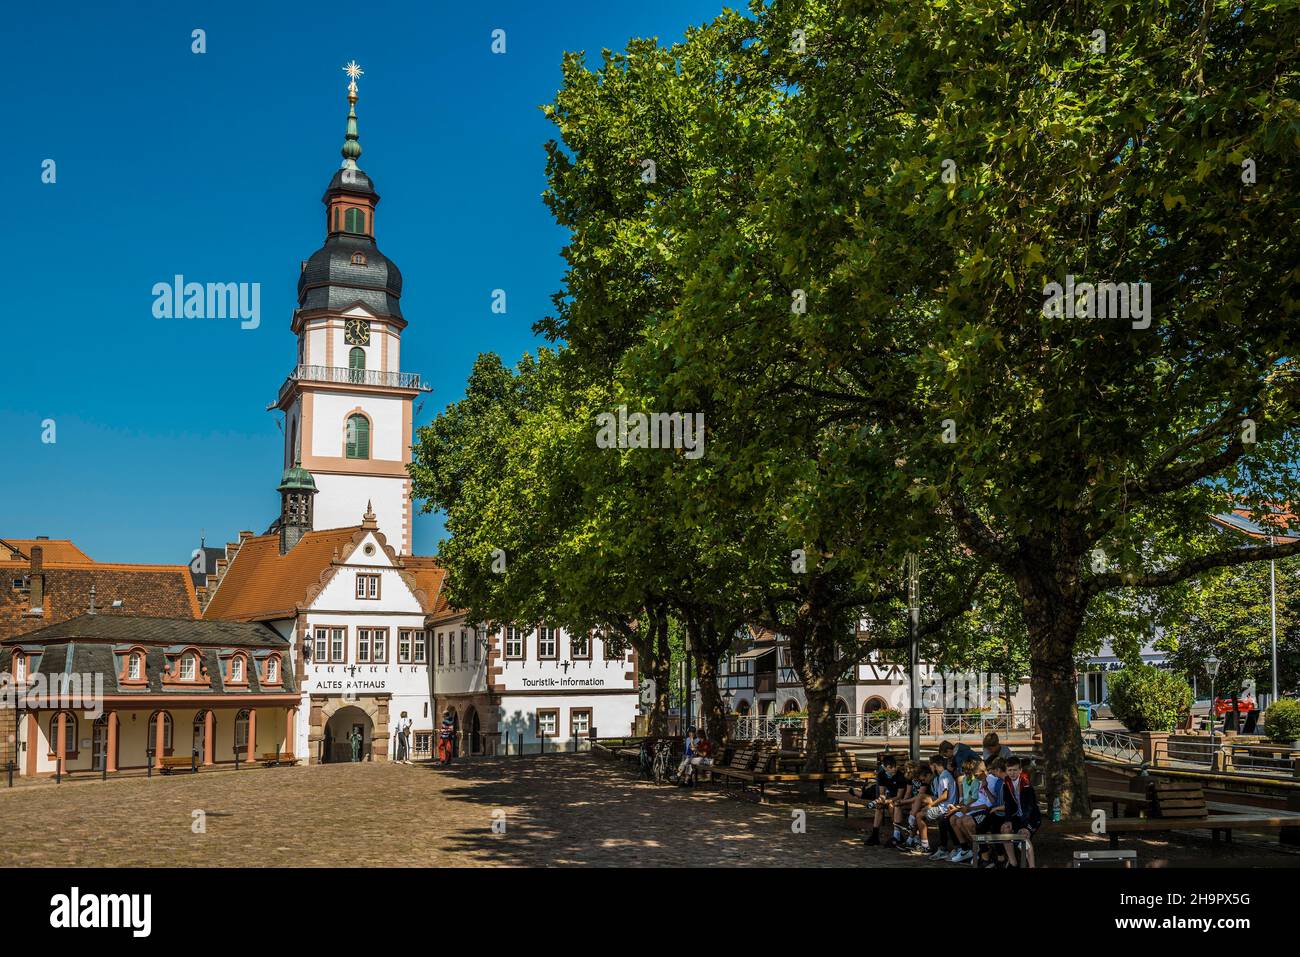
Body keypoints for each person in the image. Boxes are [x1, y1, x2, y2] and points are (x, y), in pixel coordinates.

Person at [999, 755, 1041, 867]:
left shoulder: (1025, 783)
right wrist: (1008, 820)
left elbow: (1029, 807)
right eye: (1010, 770)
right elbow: (1007, 803)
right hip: (1018, 816)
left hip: (1031, 817)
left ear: (1020, 770)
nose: (1012, 773)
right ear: (1006, 770)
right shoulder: (1006, 782)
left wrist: (1024, 826)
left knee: (1023, 836)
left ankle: (1032, 866)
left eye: (1015, 770)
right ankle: (1013, 863)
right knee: (1005, 830)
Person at [946, 758, 988, 863]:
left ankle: (977, 849)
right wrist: (957, 807)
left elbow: (973, 798)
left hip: (973, 808)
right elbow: (965, 798)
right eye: (964, 771)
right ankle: (965, 849)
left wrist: (958, 808)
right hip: (968, 807)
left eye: (969, 771)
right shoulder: (965, 779)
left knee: (961, 820)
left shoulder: (976, 780)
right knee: (952, 819)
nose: (966, 773)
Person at [864, 754, 908, 847]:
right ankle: (875, 836)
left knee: (892, 806)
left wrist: (887, 801)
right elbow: (882, 793)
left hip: (899, 800)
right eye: (891, 767)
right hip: (889, 798)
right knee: (878, 807)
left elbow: (899, 796)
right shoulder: (881, 775)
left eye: (895, 766)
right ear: (885, 767)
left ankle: (898, 835)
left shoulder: (900, 777)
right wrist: (881, 800)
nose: (894, 769)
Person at [922, 754, 958, 859]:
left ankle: (923, 844)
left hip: (945, 807)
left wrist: (930, 805)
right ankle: (942, 847)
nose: (931, 768)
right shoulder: (944, 774)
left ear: (934, 765)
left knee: (920, 816)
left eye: (931, 766)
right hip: (945, 807)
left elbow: (944, 796)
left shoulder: (944, 776)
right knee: (941, 821)